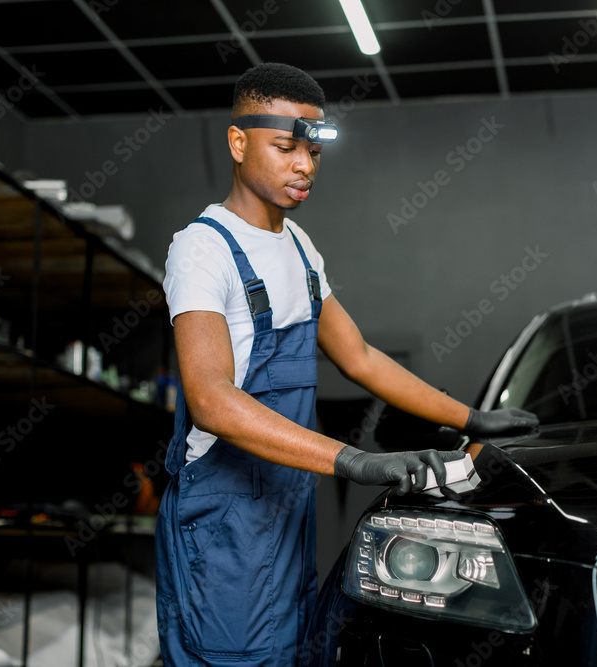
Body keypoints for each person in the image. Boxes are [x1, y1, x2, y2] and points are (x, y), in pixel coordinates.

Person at [155, 62, 537, 666]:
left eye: (312, 151)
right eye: (285, 148)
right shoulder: (202, 248)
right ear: (237, 142)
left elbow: (358, 357)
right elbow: (210, 398)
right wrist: (356, 461)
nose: (304, 166)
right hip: (223, 521)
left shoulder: (300, 248)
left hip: (285, 509)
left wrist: (473, 418)